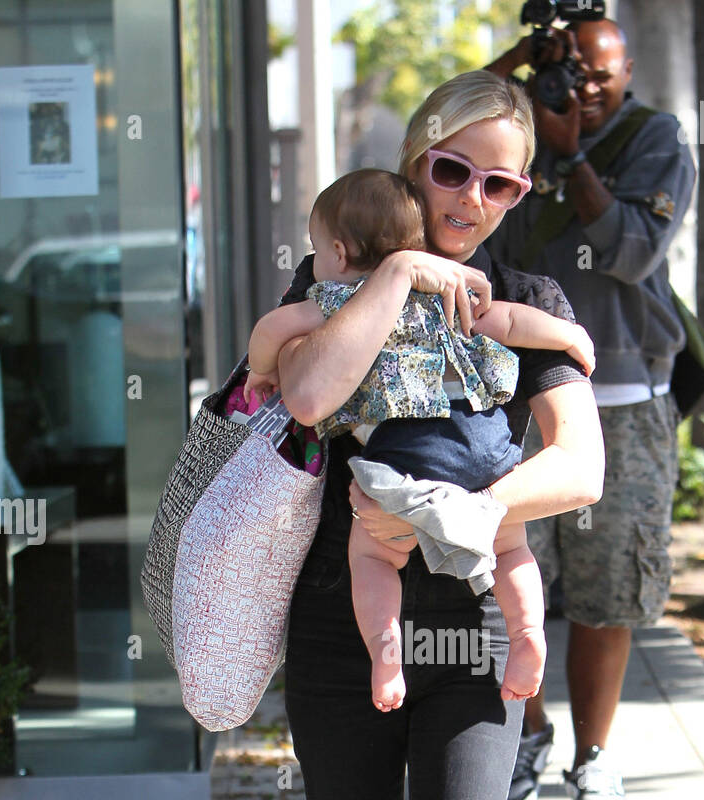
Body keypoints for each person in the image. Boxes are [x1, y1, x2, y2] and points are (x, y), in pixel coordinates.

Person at [272, 70, 604, 800]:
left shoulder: (524, 290)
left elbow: (583, 465)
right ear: (416, 162)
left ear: (521, 192)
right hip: (341, 620)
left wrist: (472, 511)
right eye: (451, 169)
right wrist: (401, 275)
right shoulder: (344, 268)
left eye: (499, 180)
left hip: (470, 617)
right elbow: (304, 396)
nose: (470, 197)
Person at [245, 168, 595, 712]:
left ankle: (387, 659)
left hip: (408, 462)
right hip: (486, 450)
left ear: (338, 250)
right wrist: (569, 334)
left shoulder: (339, 299)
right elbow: (507, 320)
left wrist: (261, 372)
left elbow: (271, 331)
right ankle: (529, 636)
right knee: (511, 547)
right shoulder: (451, 292)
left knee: (373, 557)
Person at [485, 16, 696, 800]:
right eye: (568, 72)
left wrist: (569, 153)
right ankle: (528, 734)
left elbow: (631, 250)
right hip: (517, 401)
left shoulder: (655, 138)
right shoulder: (516, 130)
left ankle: (594, 754)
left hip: (626, 402)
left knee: (612, 594)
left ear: (628, 70)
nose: (584, 88)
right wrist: (516, 73)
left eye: (599, 74)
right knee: (509, 584)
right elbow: (436, 132)